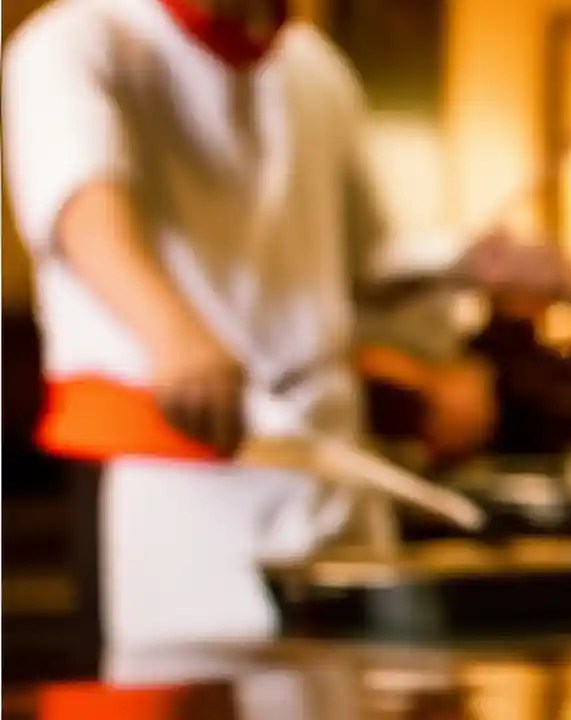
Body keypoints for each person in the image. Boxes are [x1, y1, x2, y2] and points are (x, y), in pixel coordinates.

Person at [2, 0, 493, 687]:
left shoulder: (315, 65)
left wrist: (470, 264)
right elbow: (81, 201)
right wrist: (173, 331)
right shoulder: (81, 38)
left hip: (330, 469)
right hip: (178, 471)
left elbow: (367, 258)